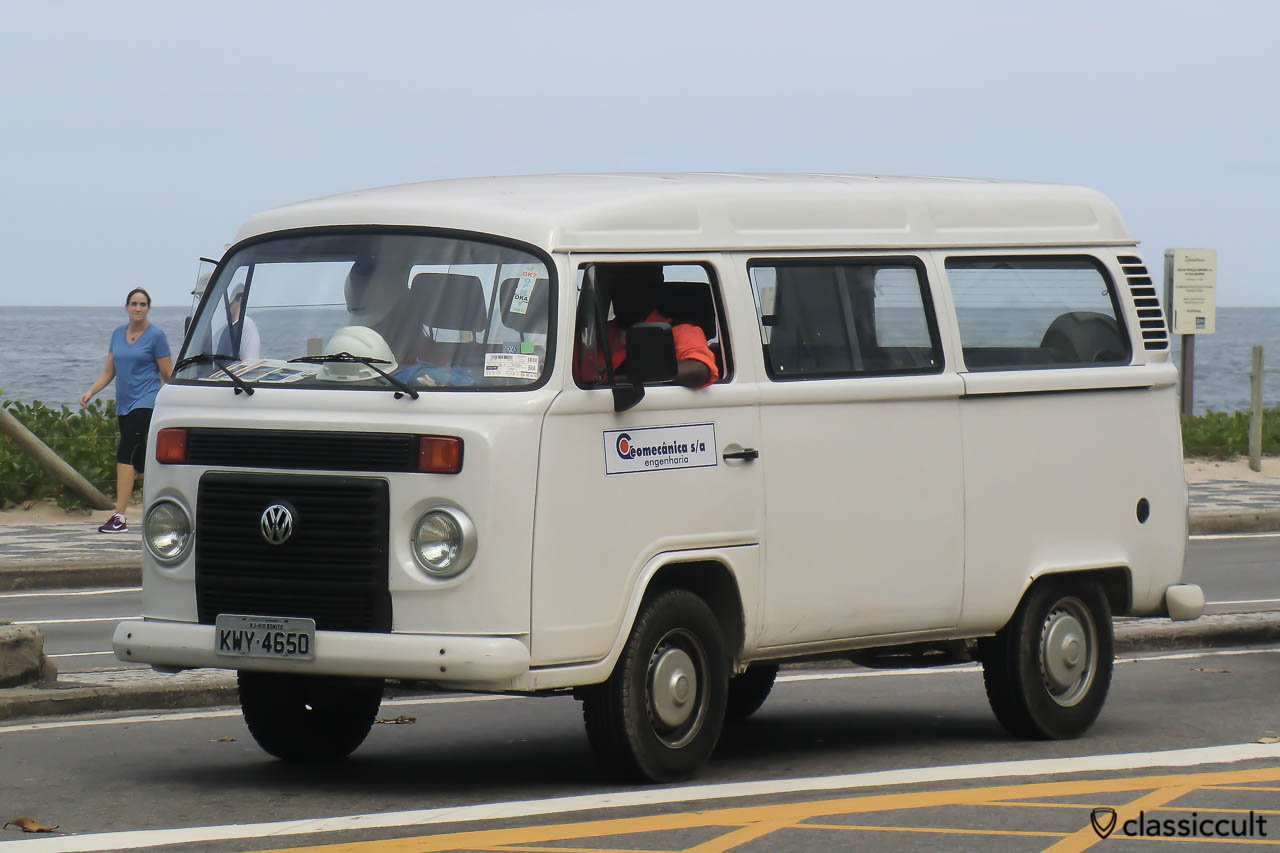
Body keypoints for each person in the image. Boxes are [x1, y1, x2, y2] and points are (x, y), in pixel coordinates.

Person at [80, 288, 173, 533]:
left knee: (125, 453)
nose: (138, 308)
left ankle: (119, 517)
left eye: (143, 304)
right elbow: (109, 371)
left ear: (148, 308)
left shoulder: (156, 336)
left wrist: (173, 404)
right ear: (127, 307)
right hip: (124, 404)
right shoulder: (117, 334)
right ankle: (164, 509)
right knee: (142, 461)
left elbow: (167, 375)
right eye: (134, 303)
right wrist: (91, 392)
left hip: (146, 401)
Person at [599, 264, 719, 388]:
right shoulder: (599, 334)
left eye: (630, 283)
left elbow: (699, 369)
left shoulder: (681, 330)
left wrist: (623, 380)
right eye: (617, 283)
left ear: (653, 286)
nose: (621, 291)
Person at [215, 282, 260, 361]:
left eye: (230, 304)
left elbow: (250, 361)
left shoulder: (246, 325)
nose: (226, 308)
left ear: (240, 300)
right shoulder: (227, 329)